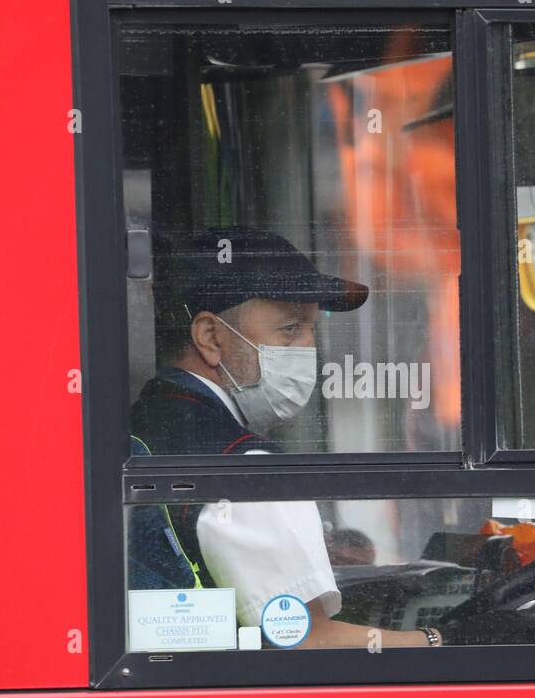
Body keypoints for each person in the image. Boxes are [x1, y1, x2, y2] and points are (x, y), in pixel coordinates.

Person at [130, 227, 444, 649]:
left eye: (313, 329)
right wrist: (435, 639)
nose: (308, 348)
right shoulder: (248, 465)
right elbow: (306, 639)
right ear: (210, 337)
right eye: (290, 328)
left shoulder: (146, 417)